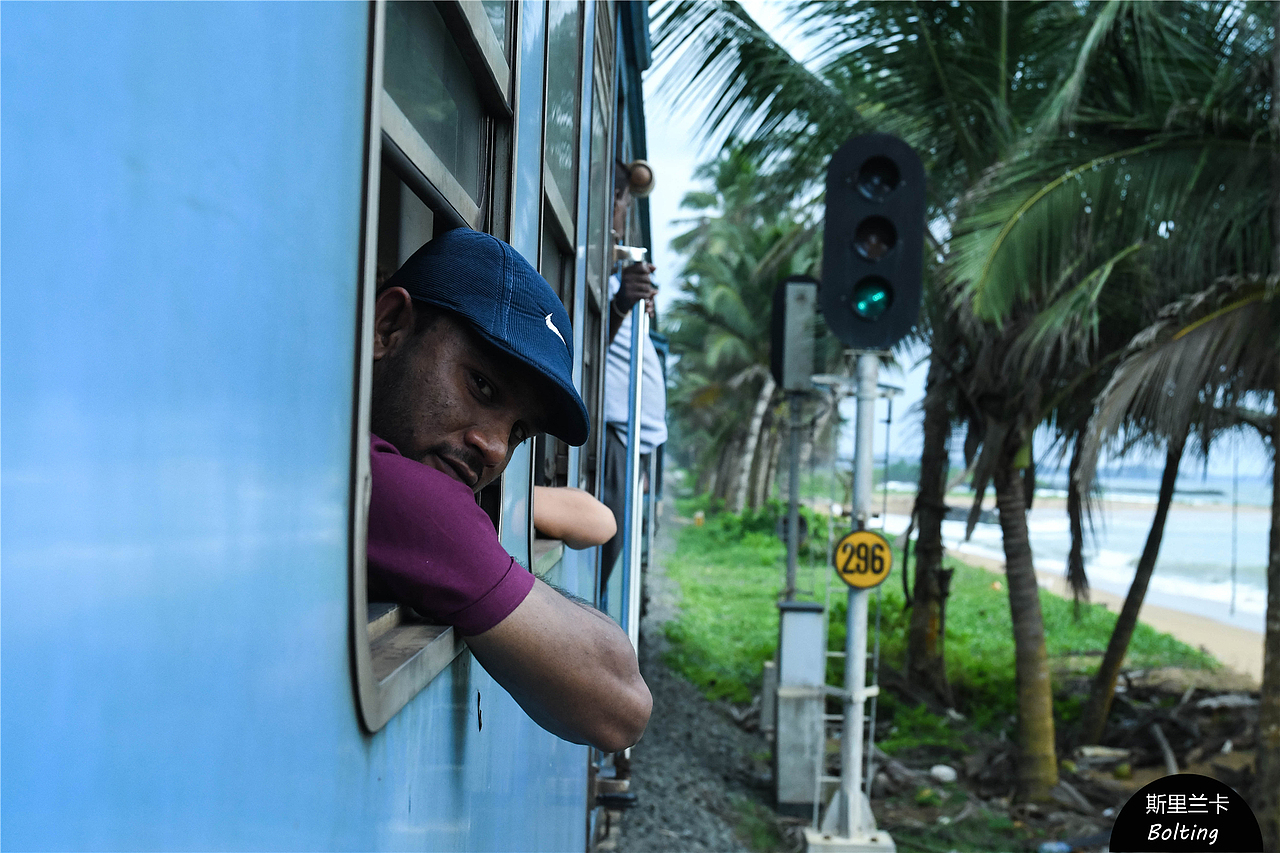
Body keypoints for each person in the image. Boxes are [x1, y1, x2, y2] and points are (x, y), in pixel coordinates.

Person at [367, 226, 651, 753]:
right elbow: (620, 705)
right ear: (388, 327)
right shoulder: (388, 490)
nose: (495, 449)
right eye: (481, 386)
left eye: (519, 432)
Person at [600, 160, 668, 583]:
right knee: (609, 542)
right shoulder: (594, 274)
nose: (623, 213)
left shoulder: (610, 275)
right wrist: (622, 305)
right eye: (622, 201)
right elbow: (578, 346)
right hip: (612, 435)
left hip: (629, 437)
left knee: (617, 539)